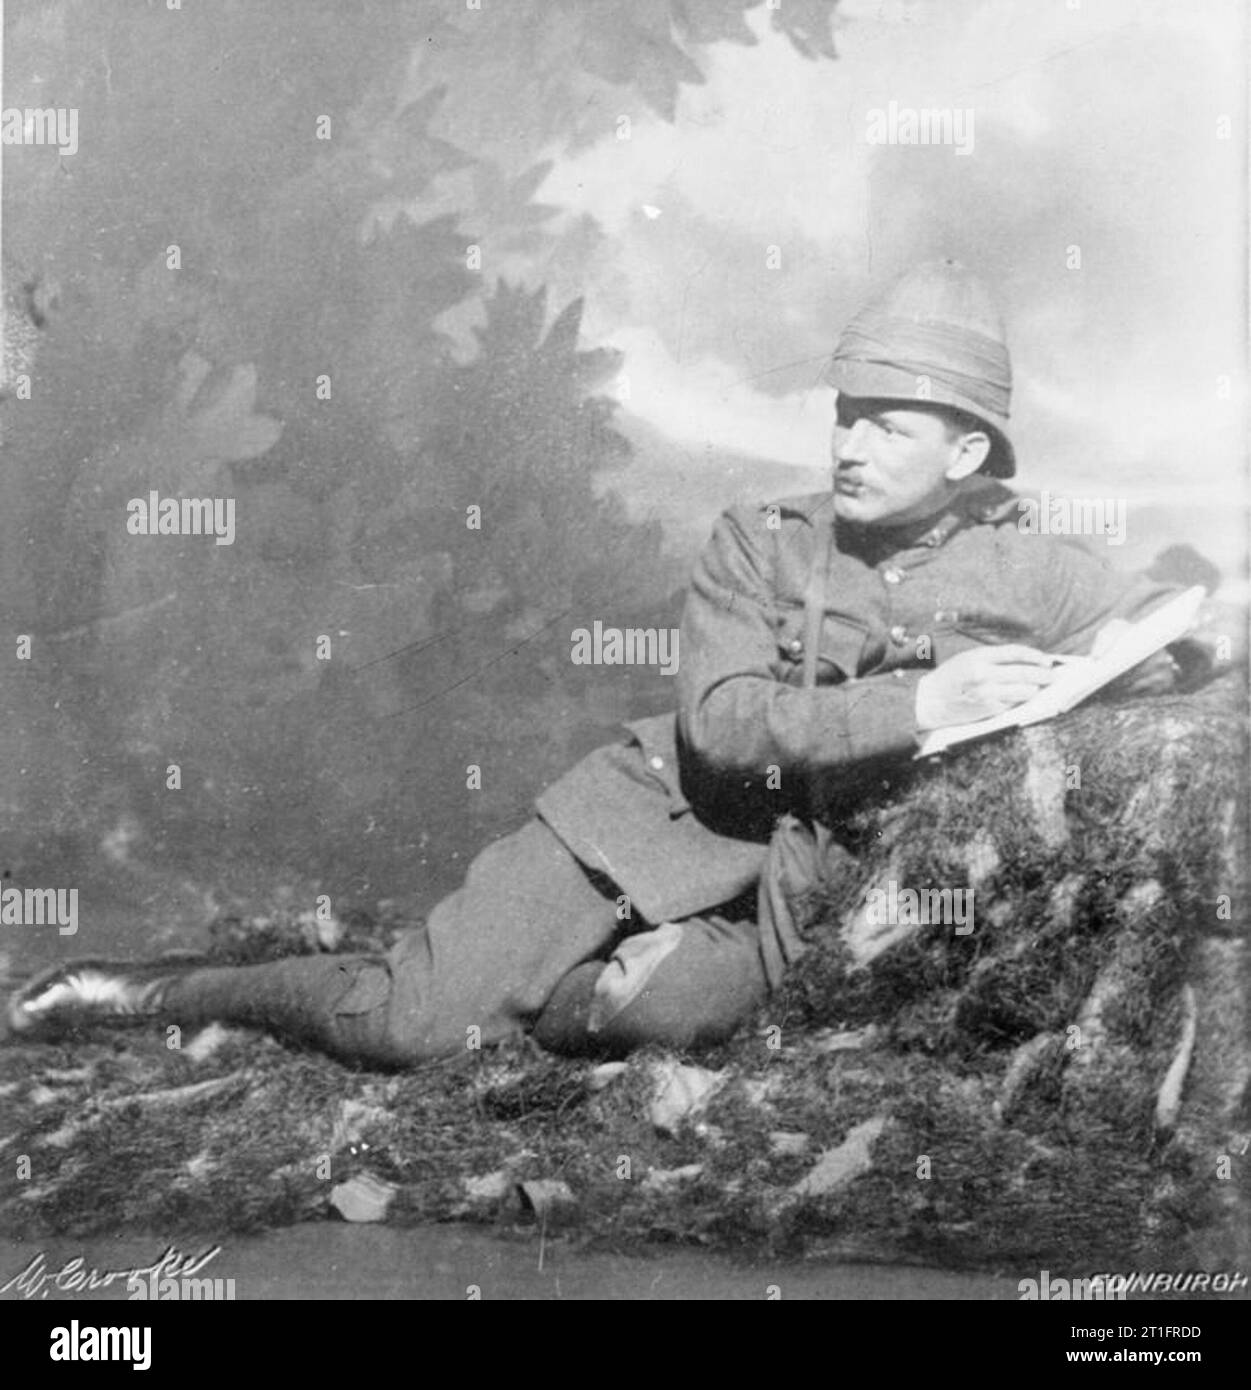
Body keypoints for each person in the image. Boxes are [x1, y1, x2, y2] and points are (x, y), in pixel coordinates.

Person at [6, 260, 1237, 1064]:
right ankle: (161, 990)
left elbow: (1152, 633)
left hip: (785, 907)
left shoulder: (1035, 571)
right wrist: (921, 701)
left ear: (967, 457)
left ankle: (548, 984)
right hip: (646, 829)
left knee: (654, 1014)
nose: (851, 446)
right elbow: (728, 726)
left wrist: (1200, 636)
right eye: (844, 416)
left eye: (889, 426)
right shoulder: (762, 538)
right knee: (410, 1027)